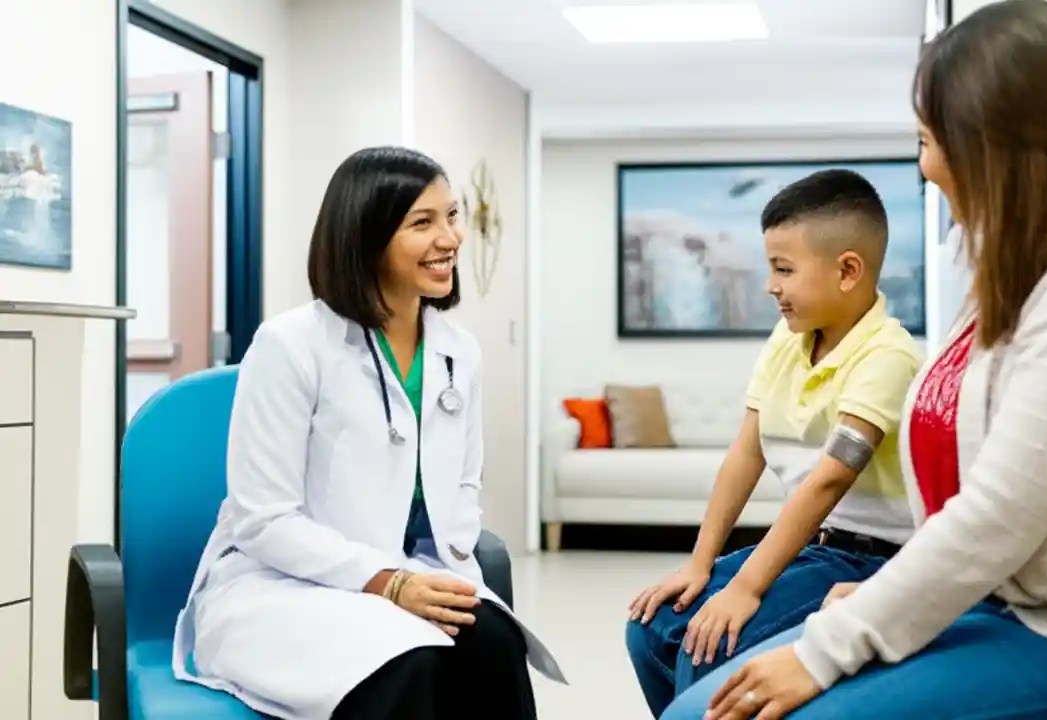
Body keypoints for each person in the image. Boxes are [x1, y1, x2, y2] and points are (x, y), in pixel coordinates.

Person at [663, 2, 1047, 718]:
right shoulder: (1005, 287)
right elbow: (965, 497)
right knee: (693, 708)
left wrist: (823, 649)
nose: (925, 169)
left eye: (931, 141)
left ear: (992, 143)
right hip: (999, 609)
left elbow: (996, 515)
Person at [171, 147, 557, 720]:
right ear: (366, 237)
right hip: (282, 586)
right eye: (422, 223)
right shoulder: (291, 346)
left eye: (451, 216)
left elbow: (463, 489)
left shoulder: (458, 352)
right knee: (407, 664)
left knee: (493, 642)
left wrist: (433, 578)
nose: (449, 238)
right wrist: (388, 582)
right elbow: (263, 520)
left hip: (406, 571)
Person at [625, 169, 924, 717]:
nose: (770, 285)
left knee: (713, 647)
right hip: (823, 549)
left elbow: (830, 478)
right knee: (650, 629)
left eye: (783, 269)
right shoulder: (787, 341)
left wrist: (744, 588)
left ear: (847, 271)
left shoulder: (889, 355)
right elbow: (747, 452)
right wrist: (701, 563)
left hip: (878, 565)